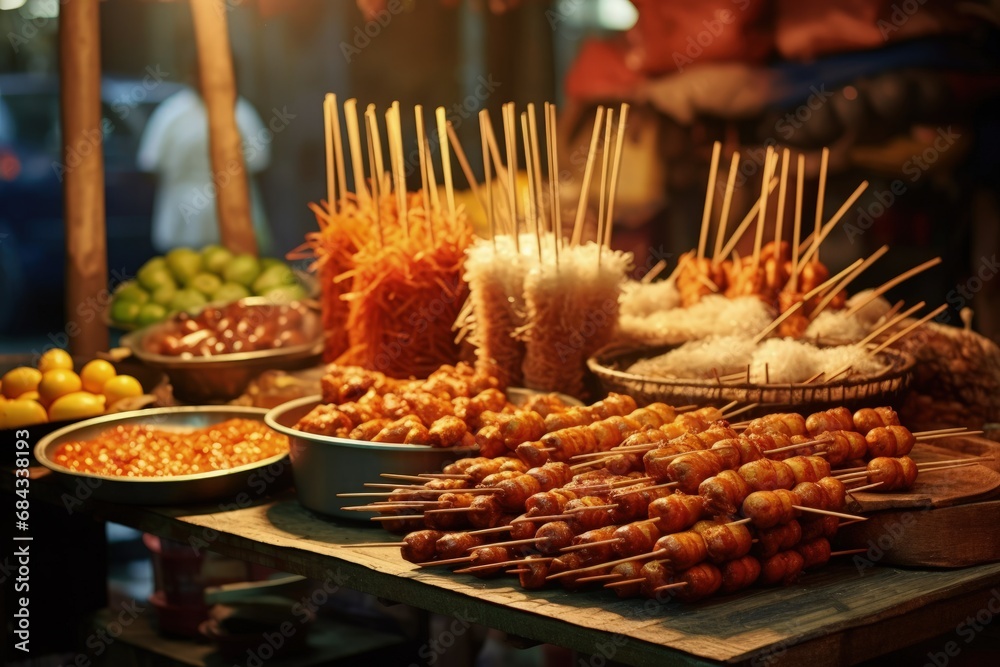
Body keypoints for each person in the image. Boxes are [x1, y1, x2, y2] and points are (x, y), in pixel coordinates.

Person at [137, 66, 272, 254]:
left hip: (234, 220)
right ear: (191, 76)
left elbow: (259, 163)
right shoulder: (172, 113)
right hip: (183, 221)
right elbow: (150, 165)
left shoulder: (241, 111)